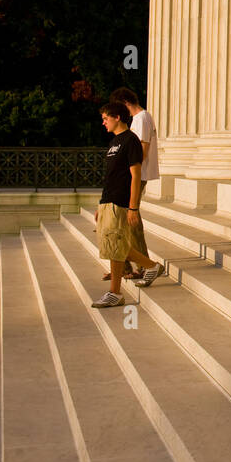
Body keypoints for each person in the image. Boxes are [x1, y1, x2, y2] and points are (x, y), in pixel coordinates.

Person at [91, 100, 165, 308]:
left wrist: (133, 207)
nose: (103, 123)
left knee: (115, 246)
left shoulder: (131, 140)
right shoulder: (113, 142)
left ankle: (115, 293)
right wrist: (101, 205)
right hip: (108, 201)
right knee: (112, 245)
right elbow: (111, 176)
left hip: (121, 202)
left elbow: (135, 175)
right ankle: (151, 266)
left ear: (117, 117)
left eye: (106, 119)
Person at [110, 86, 157, 279]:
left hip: (137, 175)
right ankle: (127, 266)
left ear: (125, 103)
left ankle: (143, 265)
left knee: (132, 221)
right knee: (128, 222)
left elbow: (142, 150)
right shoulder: (140, 119)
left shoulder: (142, 118)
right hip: (134, 174)